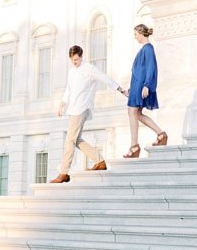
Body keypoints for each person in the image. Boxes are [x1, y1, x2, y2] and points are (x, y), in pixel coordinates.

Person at [50, 44, 126, 183]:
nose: (75, 62)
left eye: (77, 60)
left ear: (81, 57)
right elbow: (69, 88)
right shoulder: (72, 71)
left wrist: (121, 90)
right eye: (73, 60)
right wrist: (62, 104)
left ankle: (63, 173)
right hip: (72, 109)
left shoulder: (89, 69)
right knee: (76, 139)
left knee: (70, 140)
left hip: (81, 108)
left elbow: (105, 78)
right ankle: (100, 160)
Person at [124, 24, 169, 157]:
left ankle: (134, 146)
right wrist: (131, 89)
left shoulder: (148, 49)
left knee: (132, 112)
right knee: (136, 114)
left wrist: (147, 85)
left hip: (142, 85)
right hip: (137, 85)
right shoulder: (144, 49)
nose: (135, 37)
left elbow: (151, 68)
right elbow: (139, 71)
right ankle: (161, 134)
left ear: (141, 33)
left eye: (136, 34)